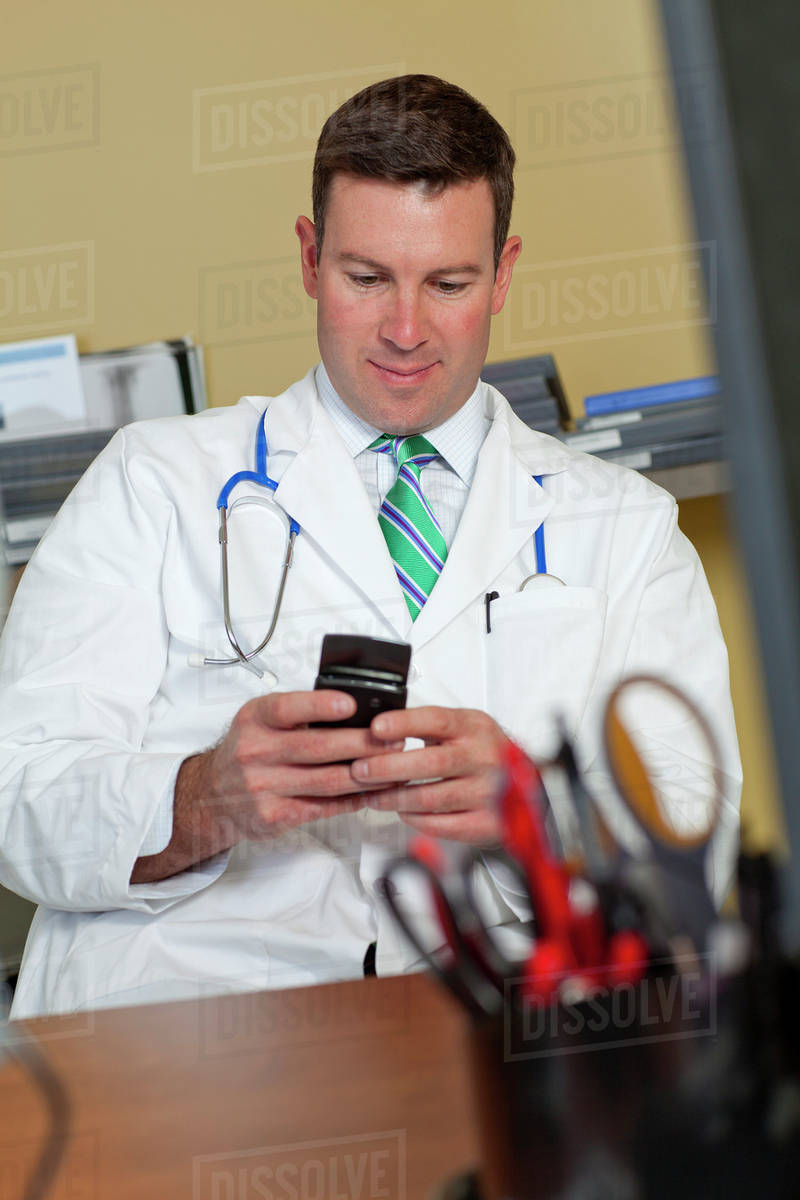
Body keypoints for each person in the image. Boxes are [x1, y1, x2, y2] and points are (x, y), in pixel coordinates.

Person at [0, 75, 741, 1018]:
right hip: (189, 1036)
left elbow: (692, 854)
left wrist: (535, 813)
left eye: (449, 284)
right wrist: (202, 799)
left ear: (504, 272)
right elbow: (15, 788)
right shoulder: (154, 482)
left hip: (490, 1033)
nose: (404, 331)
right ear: (310, 258)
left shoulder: (626, 530)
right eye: (366, 278)